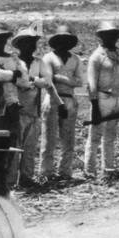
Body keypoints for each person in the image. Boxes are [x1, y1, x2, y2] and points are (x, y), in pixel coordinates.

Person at [84, 21, 119, 181]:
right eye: (108, 35)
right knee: (95, 135)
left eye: (114, 36)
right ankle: (89, 171)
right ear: (102, 37)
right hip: (102, 98)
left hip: (117, 98)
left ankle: (108, 168)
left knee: (111, 134)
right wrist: (94, 104)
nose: (112, 39)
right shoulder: (97, 57)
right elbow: (91, 83)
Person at [39, 25, 80, 184]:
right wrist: (60, 102)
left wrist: (62, 78)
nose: (64, 43)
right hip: (52, 100)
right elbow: (49, 82)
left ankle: (65, 171)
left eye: (67, 40)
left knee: (68, 138)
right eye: (61, 40)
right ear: (56, 42)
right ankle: (46, 172)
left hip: (70, 99)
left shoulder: (75, 59)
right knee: (49, 139)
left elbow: (79, 82)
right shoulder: (48, 58)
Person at [10, 29, 50, 190]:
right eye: (26, 42)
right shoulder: (14, 62)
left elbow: (47, 82)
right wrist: (34, 82)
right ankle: (11, 181)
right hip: (16, 110)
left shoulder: (39, 62)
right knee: (14, 148)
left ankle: (26, 178)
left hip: (33, 110)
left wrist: (31, 80)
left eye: (32, 42)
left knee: (30, 147)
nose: (30, 45)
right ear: (19, 45)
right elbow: (14, 81)